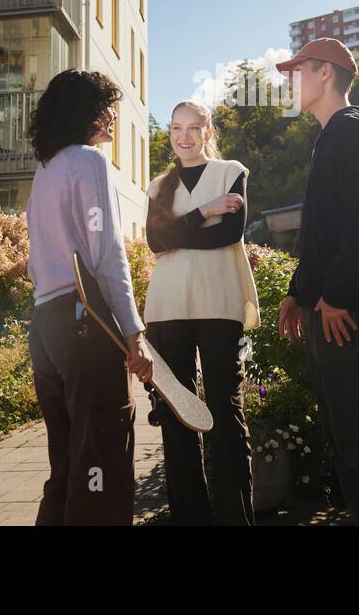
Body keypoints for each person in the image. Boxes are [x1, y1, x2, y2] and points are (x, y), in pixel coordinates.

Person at [274, 38, 359, 525]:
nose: (289, 82)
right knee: (347, 440)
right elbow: (322, 234)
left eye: (297, 72)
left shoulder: (350, 133)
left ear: (325, 73)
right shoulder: (331, 137)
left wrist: (333, 297)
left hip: (345, 314)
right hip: (328, 310)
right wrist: (300, 293)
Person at [24, 69, 154, 525]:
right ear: (85, 112)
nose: (114, 115)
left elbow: (34, 262)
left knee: (68, 460)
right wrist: (134, 332)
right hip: (85, 319)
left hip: (45, 325)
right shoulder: (88, 162)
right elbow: (107, 256)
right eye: (105, 106)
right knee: (102, 457)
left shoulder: (45, 171)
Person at [144, 100, 259, 525]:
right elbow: (155, 244)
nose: (184, 137)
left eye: (194, 128)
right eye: (176, 128)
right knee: (177, 417)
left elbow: (231, 234)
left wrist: (175, 234)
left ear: (207, 132)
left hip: (218, 300)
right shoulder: (159, 186)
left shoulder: (232, 172)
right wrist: (205, 212)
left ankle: (235, 519)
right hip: (167, 305)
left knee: (226, 412)